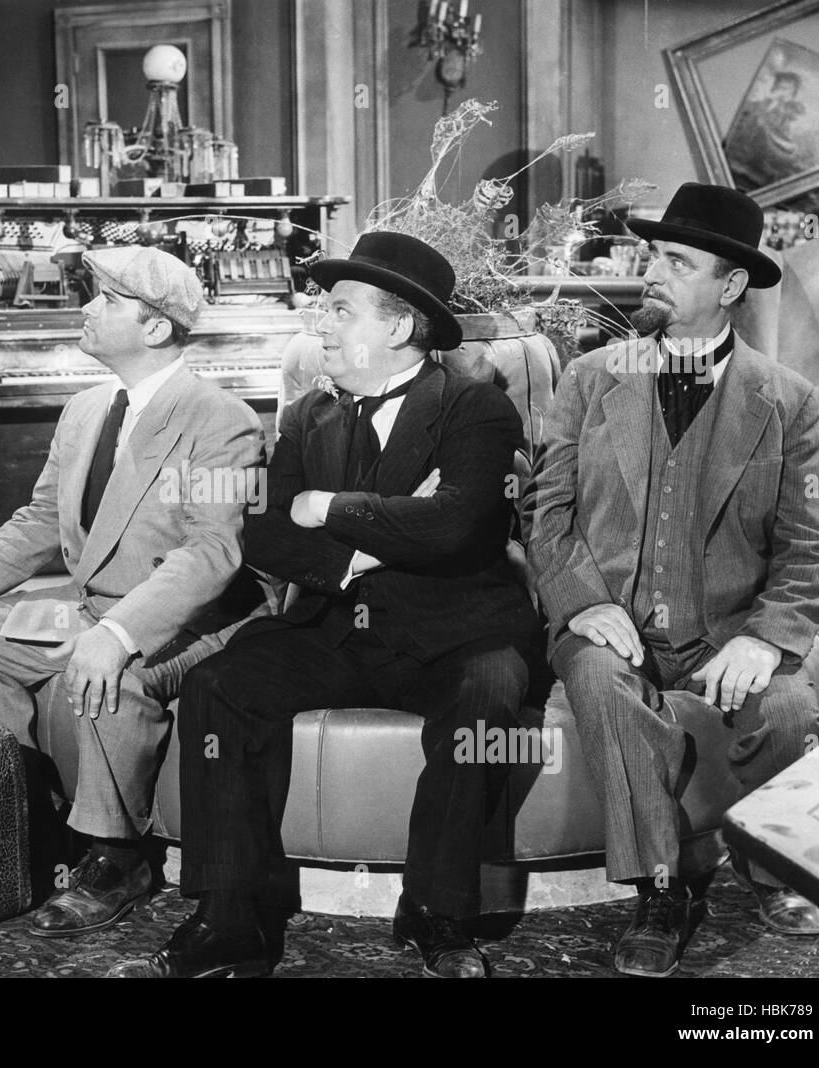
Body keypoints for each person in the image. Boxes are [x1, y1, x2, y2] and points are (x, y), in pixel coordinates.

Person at [110, 232, 540, 978]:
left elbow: (459, 525)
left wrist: (327, 502)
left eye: (340, 310)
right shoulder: (308, 415)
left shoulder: (477, 410)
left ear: (399, 328)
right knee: (220, 687)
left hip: (456, 634)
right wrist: (365, 545)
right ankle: (229, 914)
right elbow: (265, 534)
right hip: (338, 626)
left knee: (490, 693)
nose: (321, 325)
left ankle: (436, 909)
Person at [527, 182, 819, 977]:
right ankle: (659, 892)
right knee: (602, 684)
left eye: (676, 260)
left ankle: (777, 871)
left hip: (729, 626)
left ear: (731, 285)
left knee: (790, 704)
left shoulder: (791, 403)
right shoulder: (590, 379)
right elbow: (546, 514)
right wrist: (582, 602)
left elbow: (812, 548)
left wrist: (768, 641)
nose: (652, 272)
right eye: (653, 255)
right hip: (611, 623)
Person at [0, 245, 266, 938]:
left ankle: (117, 857)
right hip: (90, 611)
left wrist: (117, 633)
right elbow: (40, 521)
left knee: (114, 675)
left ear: (157, 327)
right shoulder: (84, 410)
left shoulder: (221, 420)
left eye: (106, 300)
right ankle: (14, 821)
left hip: (187, 623)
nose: (86, 308)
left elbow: (212, 553)